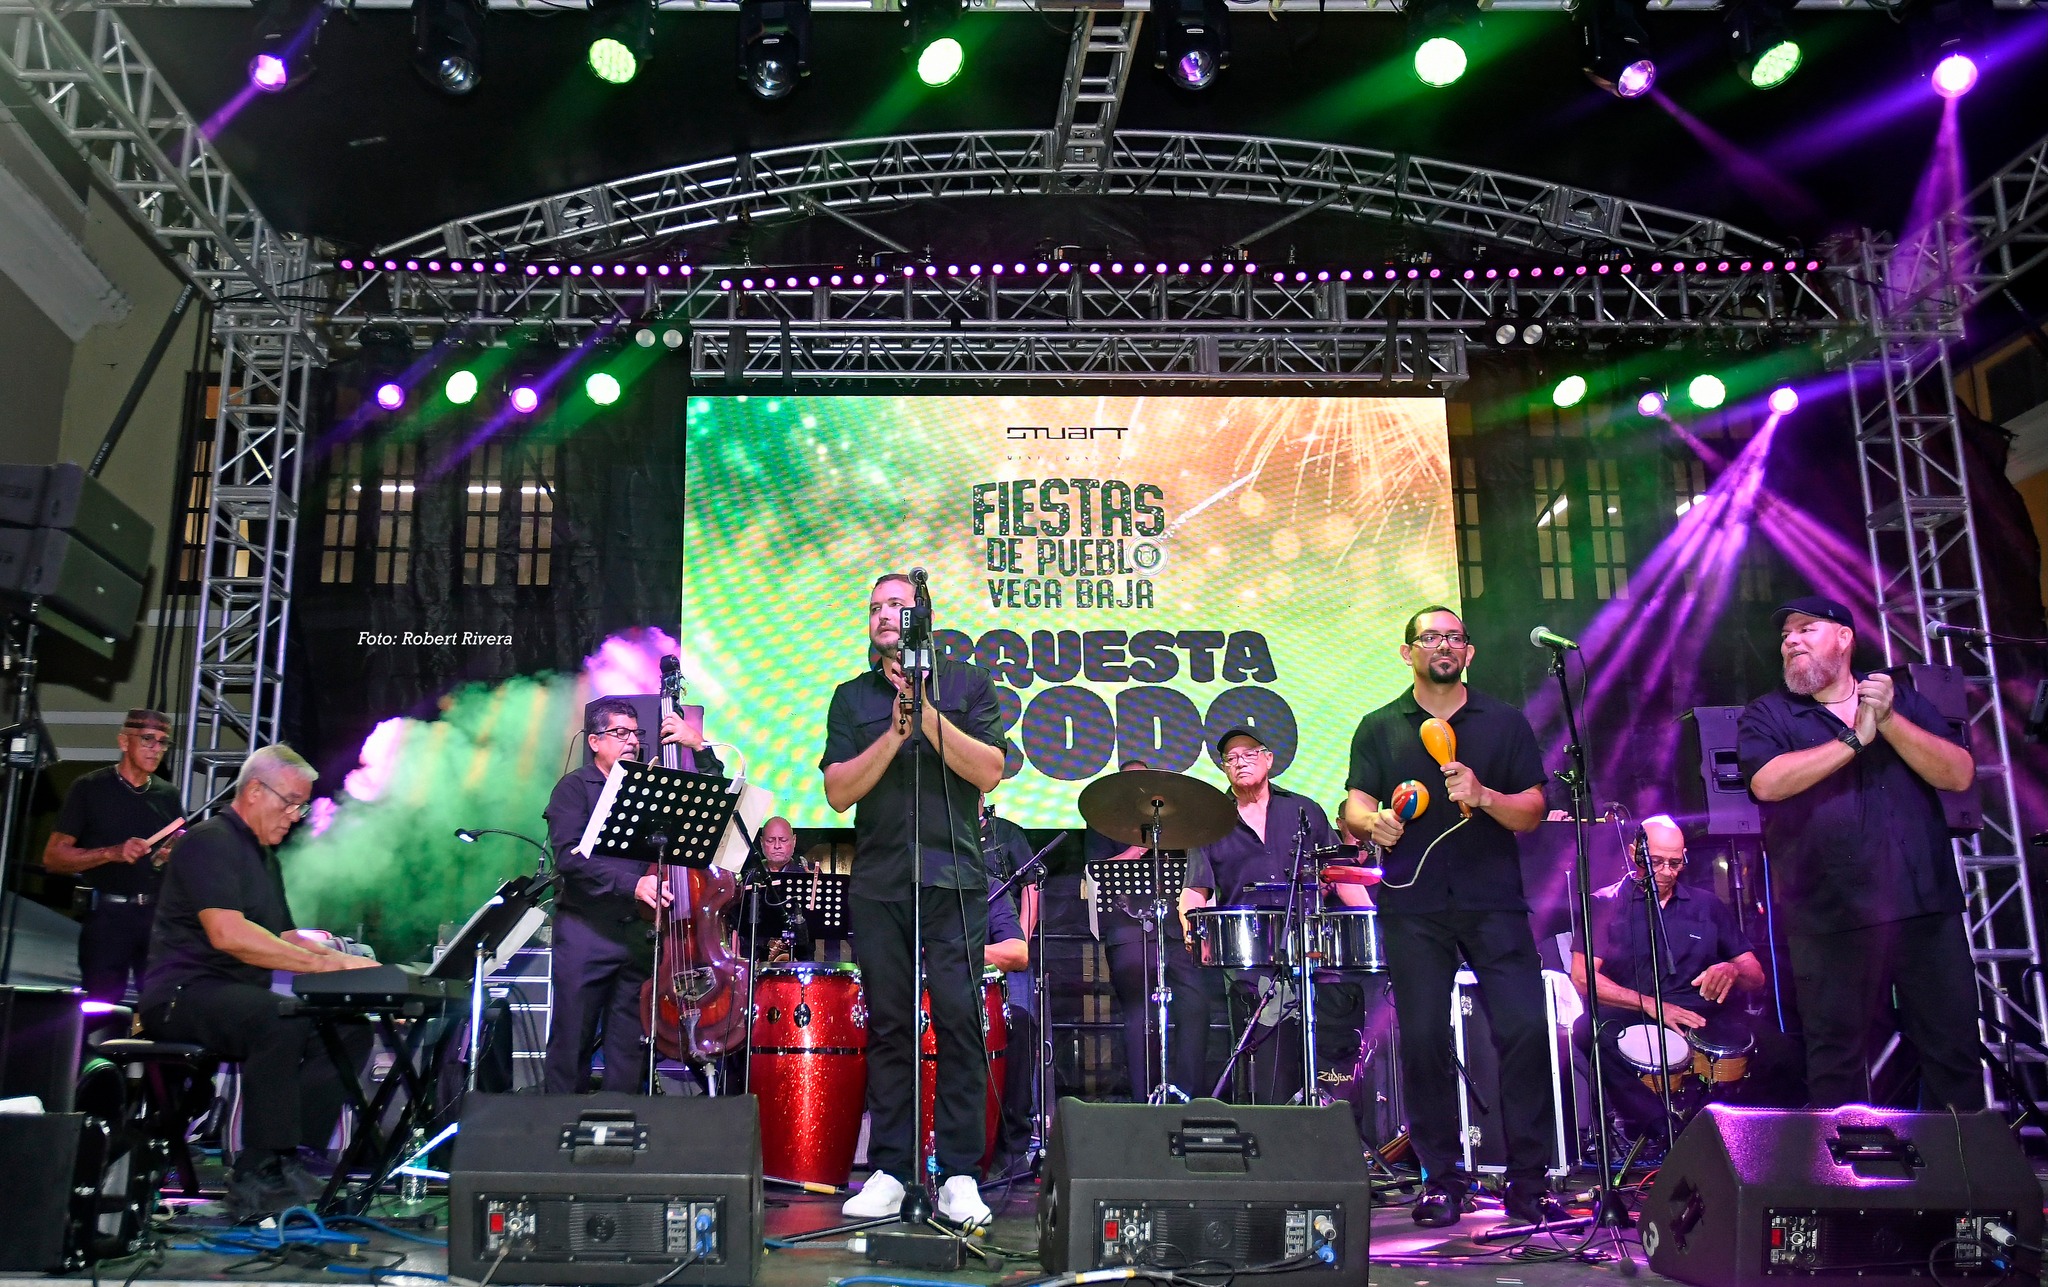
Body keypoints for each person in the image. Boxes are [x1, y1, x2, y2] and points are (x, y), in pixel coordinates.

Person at [1344, 606, 1562, 1229]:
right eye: (1430, 637)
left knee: (1522, 1031)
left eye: (1454, 637)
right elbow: (1353, 802)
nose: (1443, 645)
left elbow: (1532, 812)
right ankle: (1441, 1180)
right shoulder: (1381, 726)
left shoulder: (1504, 722)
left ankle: (1529, 1180)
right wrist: (1371, 822)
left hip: (1494, 902)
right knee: (1423, 1041)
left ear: (1468, 652)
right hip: (1414, 905)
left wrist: (1485, 795)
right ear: (1407, 651)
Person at [1737, 596, 1983, 1110]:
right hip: (1829, 913)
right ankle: (1844, 1187)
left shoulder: (1901, 700)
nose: (1791, 642)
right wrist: (1855, 738)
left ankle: (1956, 1185)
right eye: (1785, 636)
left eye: (1805, 629)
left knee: (1951, 1049)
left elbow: (1958, 774)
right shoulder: (1770, 713)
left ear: (1844, 637)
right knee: (1835, 1060)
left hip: (1922, 904)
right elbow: (1767, 782)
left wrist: (1888, 722)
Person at [822, 573, 1005, 1227]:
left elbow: (988, 769)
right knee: (891, 1027)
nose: (881, 615)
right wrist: (896, 731)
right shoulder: (851, 698)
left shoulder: (966, 685)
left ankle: (959, 1171)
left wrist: (926, 714)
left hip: (954, 880)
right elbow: (839, 792)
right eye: (872, 606)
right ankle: (893, 1168)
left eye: (895, 605)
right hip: (878, 884)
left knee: (959, 1022)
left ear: (924, 615)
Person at [137, 745, 376, 1217]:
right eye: (290, 802)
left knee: (349, 1028)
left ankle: (296, 1157)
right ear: (253, 790)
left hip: (236, 997)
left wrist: (369, 972)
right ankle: (259, 1169)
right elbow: (229, 934)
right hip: (181, 996)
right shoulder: (209, 841)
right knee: (278, 1017)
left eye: (302, 805)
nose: (296, 815)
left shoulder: (263, 859)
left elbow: (287, 938)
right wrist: (319, 967)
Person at [1180, 728, 1359, 1106]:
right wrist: (1191, 930)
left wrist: (1370, 918)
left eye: (1248, 754)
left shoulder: (1303, 809)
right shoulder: (1211, 821)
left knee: (1327, 1047)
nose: (1239, 762)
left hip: (1311, 945)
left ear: (1268, 759)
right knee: (1263, 1062)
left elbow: (1338, 874)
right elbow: (1195, 891)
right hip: (1248, 954)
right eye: (1230, 758)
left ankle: (1334, 1132)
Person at [1569, 815, 1771, 1149]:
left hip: (1702, 1012)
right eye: (1657, 861)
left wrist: (1732, 971)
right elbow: (1583, 977)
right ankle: (1665, 1131)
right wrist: (1655, 1006)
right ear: (1635, 853)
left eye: (1676, 863)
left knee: (1781, 1052)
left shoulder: (1706, 904)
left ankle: (1749, 1141)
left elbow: (1756, 976)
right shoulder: (1605, 904)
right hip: (1637, 1009)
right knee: (1587, 1029)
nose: (1666, 871)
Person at [543, 696, 710, 1095]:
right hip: (586, 934)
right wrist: (632, 885)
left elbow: (706, 803)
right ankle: (555, 1144)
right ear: (595, 741)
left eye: (636, 733)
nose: (632, 741)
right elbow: (569, 859)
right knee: (572, 1044)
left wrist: (699, 748)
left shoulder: (649, 788)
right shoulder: (574, 788)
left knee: (629, 1052)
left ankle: (619, 1139)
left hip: (637, 938)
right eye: (620, 733)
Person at [1084, 759, 1211, 1102]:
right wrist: (1141, 844)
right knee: (1140, 1013)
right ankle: (1146, 1100)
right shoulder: (1102, 823)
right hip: (1129, 931)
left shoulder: (1174, 822)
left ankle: (1189, 1096)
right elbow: (1098, 873)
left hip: (1174, 930)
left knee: (1196, 1004)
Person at [41, 709, 184, 1002]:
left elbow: (167, 856)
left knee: (161, 1004)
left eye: (163, 742)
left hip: (155, 919)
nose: (156, 749)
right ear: (123, 742)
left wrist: (171, 854)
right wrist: (112, 852)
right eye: (147, 739)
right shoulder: (89, 788)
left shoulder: (167, 794)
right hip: (107, 917)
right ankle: (94, 1047)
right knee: (100, 1007)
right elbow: (54, 857)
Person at [734, 817, 813, 964]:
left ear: (794, 841)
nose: (777, 846)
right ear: (762, 842)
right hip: (756, 958)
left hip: (799, 958)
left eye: (783, 840)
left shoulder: (807, 876)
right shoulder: (748, 879)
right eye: (771, 841)